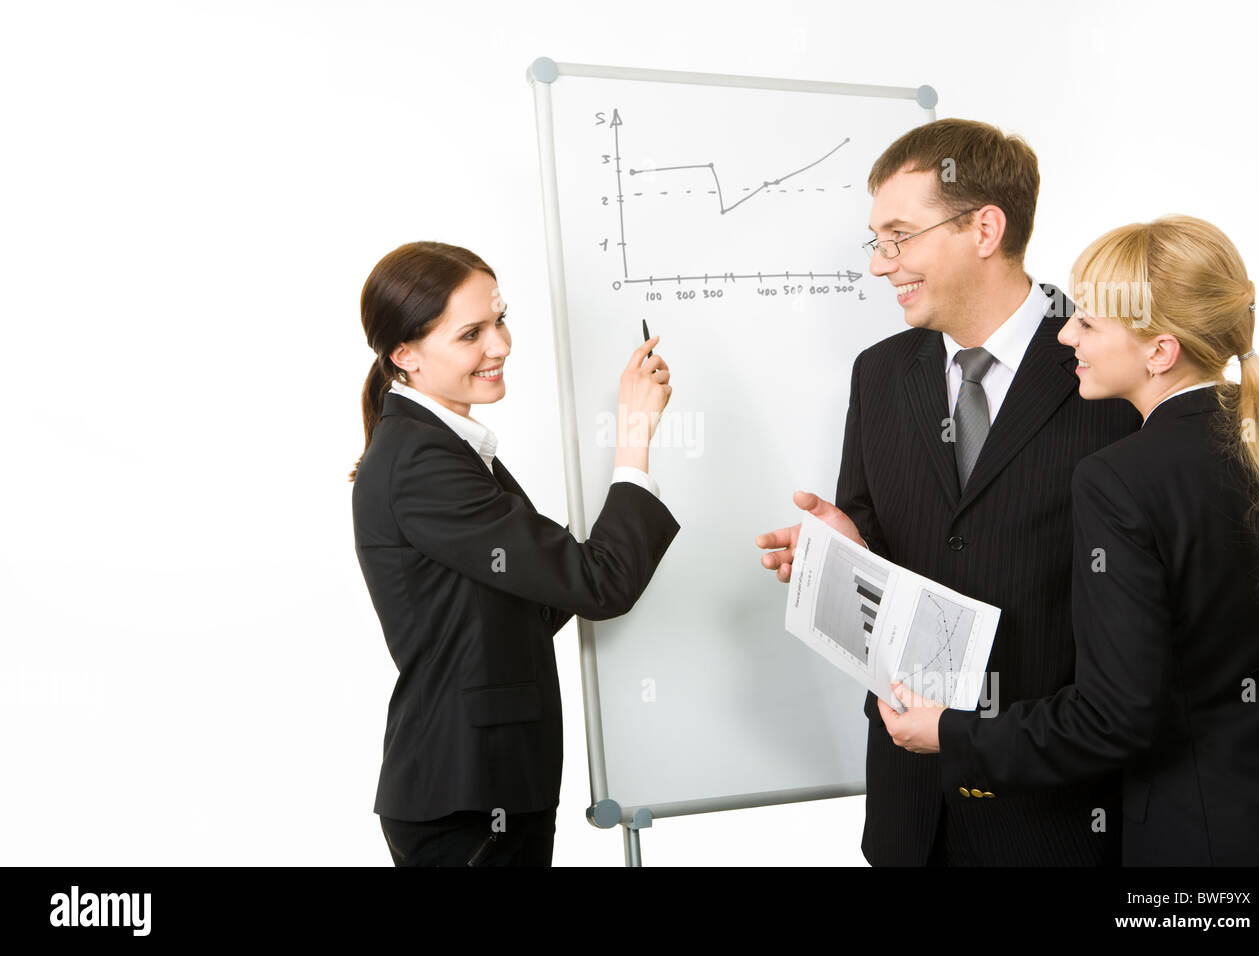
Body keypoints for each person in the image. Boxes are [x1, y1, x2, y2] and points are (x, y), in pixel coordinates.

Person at [756, 119, 1142, 866]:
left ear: (984, 228)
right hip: (911, 810)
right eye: (877, 241)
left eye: (898, 237)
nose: (879, 265)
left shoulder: (1110, 363)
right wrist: (848, 550)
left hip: (1056, 817)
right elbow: (884, 549)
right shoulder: (880, 372)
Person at [878, 215, 1259, 865]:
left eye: (1089, 323)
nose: (1066, 333)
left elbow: (1114, 718)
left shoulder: (1119, 479)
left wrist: (949, 733)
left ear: (1160, 352)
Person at [350, 241, 680, 866]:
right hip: (468, 798)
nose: (500, 345)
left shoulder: (446, 446)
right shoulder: (422, 461)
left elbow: (535, 601)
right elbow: (596, 583)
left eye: (500, 320)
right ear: (405, 356)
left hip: (488, 787)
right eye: (471, 333)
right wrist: (633, 434)